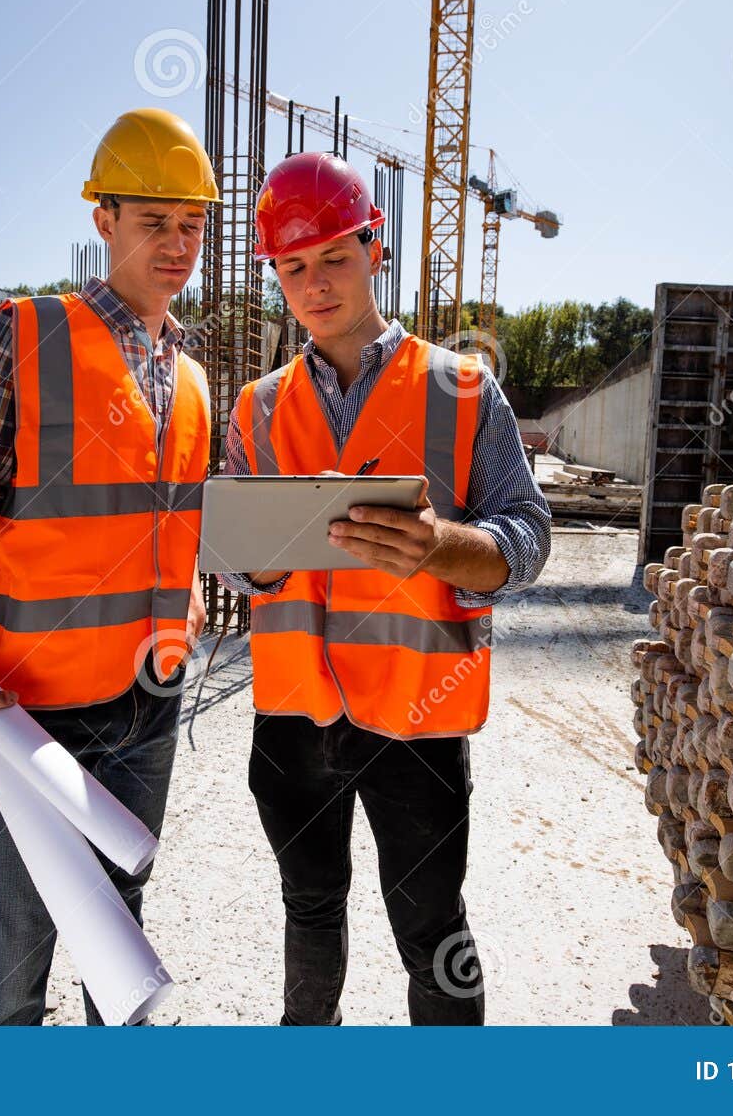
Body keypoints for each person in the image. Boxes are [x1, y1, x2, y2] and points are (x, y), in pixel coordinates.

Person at [0, 107, 217, 1025]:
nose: (176, 243)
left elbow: (172, 524)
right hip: (26, 712)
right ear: (103, 220)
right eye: (154, 220)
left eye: (191, 224)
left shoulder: (190, 376)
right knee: (10, 961)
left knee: (117, 934)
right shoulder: (26, 336)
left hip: (146, 703)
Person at [218, 151, 551, 1025]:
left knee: (430, 923)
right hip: (292, 718)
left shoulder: (463, 389)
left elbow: (528, 535)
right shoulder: (255, 409)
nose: (314, 282)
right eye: (292, 266)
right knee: (310, 907)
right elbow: (232, 562)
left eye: (334, 256)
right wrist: (251, 563)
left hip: (417, 716)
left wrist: (442, 544)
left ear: (376, 249)